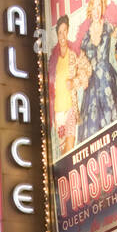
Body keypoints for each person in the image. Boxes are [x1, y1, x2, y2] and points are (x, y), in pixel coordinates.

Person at [74, 0, 117, 142]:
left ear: (103, 7)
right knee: (93, 127)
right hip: (91, 87)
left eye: (99, 6)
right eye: (94, 6)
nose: (97, 10)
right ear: (90, 9)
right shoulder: (85, 37)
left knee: (114, 122)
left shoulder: (108, 26)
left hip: (107, 80)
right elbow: (81, 64)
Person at [48, 15, 79, 155]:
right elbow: (48, 89)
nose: (62, 35)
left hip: (70, 107)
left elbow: (86, 71)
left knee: (70, 145)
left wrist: (74, 82)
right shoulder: (52, 60)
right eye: (59, 32)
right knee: (63, 153)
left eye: (64, 31)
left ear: (68, 31)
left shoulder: (74, 52)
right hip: (58, 112)